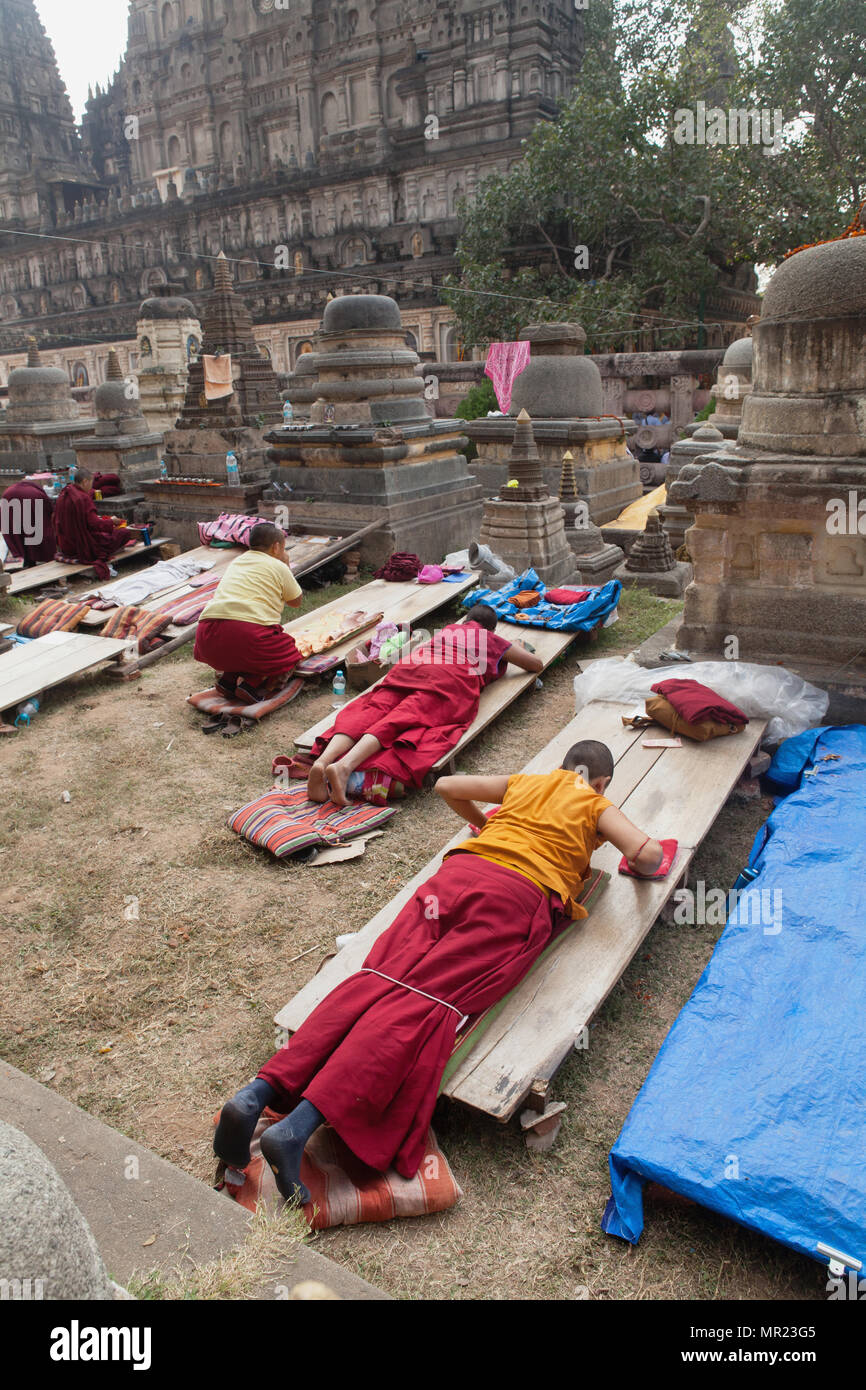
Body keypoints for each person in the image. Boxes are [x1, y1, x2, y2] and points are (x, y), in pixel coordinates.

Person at [214, 740, 664, 1202]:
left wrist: (481, 824)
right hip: (513, 899)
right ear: (602, 781)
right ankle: (296, 1128)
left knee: (380, 980)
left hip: (454, 878)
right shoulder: (595, 801)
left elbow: (447, 785)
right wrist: (628, 849)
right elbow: (646, 854)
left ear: (562, 767)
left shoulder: (525, 784)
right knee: (422, 1005)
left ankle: (256, 1094)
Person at [306, 603, 544, 806]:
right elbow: (535, 664)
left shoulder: (448, 630)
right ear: (491, 629)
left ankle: (323, 761)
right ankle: (345, 766)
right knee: (400, 718)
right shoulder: (492, 638)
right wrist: (516, 646)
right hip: (447, 678)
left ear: (467, 621)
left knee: (373, 709)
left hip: (410, 668)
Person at [194, 521, 303, 703]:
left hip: (207, 636)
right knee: (289, 652)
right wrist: (286, 564)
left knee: (241, 651)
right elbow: (296, 602)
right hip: (247, 634)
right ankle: (251, 684)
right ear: (276, 547)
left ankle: (228, 680)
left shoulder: (237, 562)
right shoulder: (279, 566)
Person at [53, 467, 134, 580]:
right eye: (91, 483)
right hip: (82, 548)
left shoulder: (63, 494)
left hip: (66, 547)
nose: (91, 486)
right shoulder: (82, 498)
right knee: (124, 533)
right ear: (85, 481)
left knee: (107, 533)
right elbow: (94, 524)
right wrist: (112, 522)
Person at [0, 475, 56, 567]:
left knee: (21, 536)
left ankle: (28, 561)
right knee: (37, 532)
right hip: (34, 504)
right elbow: (49, 512)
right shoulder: (36, 491)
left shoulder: (8, 491)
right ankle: (44, 561)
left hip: (10, 502)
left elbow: (4, 519)